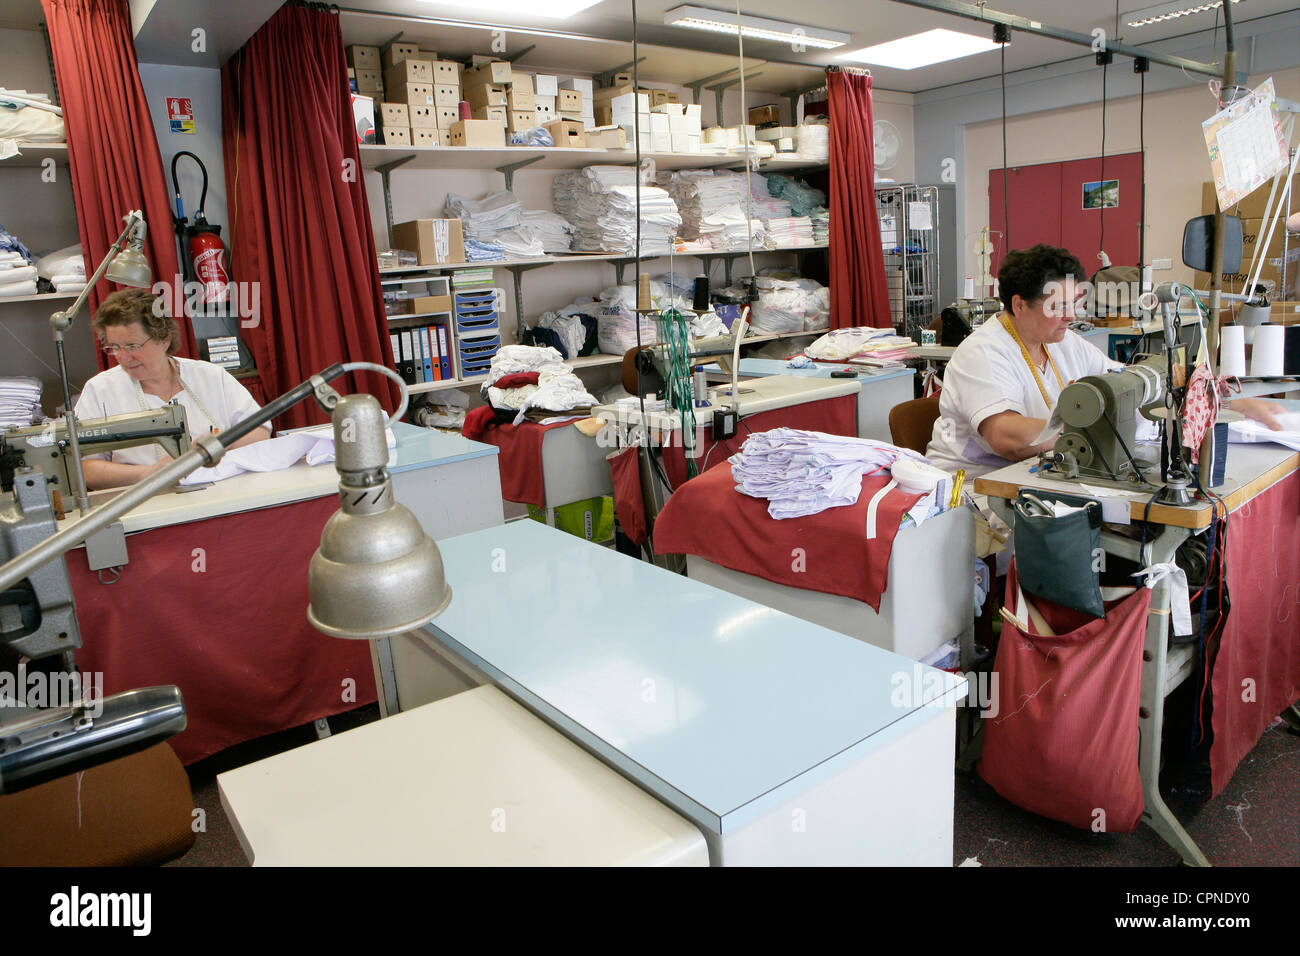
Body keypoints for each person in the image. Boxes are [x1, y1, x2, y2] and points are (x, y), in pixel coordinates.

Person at [927, 243, 1282, 479]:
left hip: (1041, 472)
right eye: (1058, 307)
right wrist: (1086, 427)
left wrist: (1222, 399)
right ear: (1019, 305)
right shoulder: (983, 353)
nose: (1071, 316)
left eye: (1074, 304)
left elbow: (1125, 381)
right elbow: (1006, 437)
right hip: (980, 488)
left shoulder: (1063, 342)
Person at [74, 288, 271, 489]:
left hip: (221, 494)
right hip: (144, 504)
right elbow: (85, 469)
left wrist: (215, 447)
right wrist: (150, 473)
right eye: (114, 347)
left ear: (163, 339)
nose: (123, 357)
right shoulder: (100, 390)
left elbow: (259, 431)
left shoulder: (210, 377)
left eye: (132, 346)